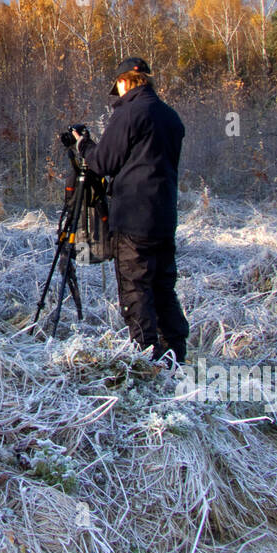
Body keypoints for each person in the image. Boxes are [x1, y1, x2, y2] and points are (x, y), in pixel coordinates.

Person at [72, 57, 189, 371]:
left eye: (118, 89)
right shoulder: (171, 118)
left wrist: (83, 145)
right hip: (164, 219)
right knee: (163, 288)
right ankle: (176, 354)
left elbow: (104, 162)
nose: (118, 95)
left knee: (136, 290)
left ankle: (146, 360)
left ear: (124, 82)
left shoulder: (129, 113)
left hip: (134, 220)